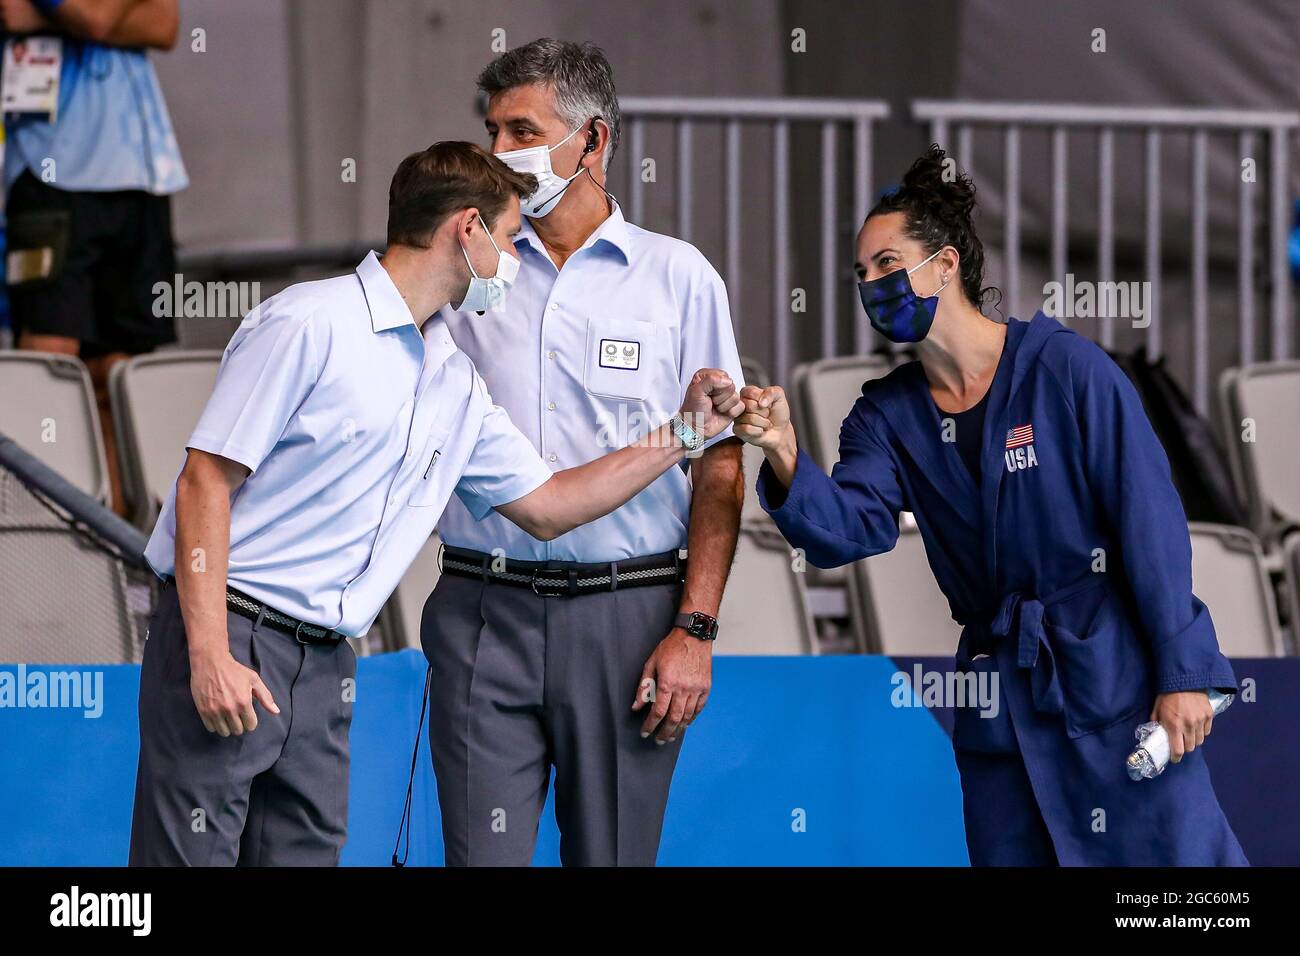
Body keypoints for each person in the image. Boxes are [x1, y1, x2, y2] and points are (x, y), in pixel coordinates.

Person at [128, 140, 742, 866]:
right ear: (468, 229)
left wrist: (684, 433)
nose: (516, 259)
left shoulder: (451, 376)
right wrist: (207, 653)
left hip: (327, 660)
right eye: (512, 238)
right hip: (230, 629)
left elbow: (551, 503)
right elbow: (203, 482)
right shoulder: (307, 322)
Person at [734, 145, 1246, 867]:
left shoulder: (1068, 370)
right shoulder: (884, 416)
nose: (872, 285)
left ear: (946, 265)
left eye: (888, 264)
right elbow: (847, 529)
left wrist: (1184, 671)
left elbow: (1150, 524)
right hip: (998, 704)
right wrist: (783, 450)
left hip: (1111, 685)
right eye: (860, 274)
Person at [424, 38, 746, 867]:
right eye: (492, 131)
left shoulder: (679, 277)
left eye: (521, 130)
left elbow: (718, 462)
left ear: (594, 141)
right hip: (480, 608)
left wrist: (696, 627)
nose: (498, 154)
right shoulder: (465, 273)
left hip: (629, 617)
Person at [1, 0, 187, 515]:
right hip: (50, 174)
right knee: (51, 368)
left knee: (119, 374)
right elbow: (97, 18)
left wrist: (44, 15)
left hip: (142, 175)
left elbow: (166, 24)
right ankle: (44, 534)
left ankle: (119, 540)